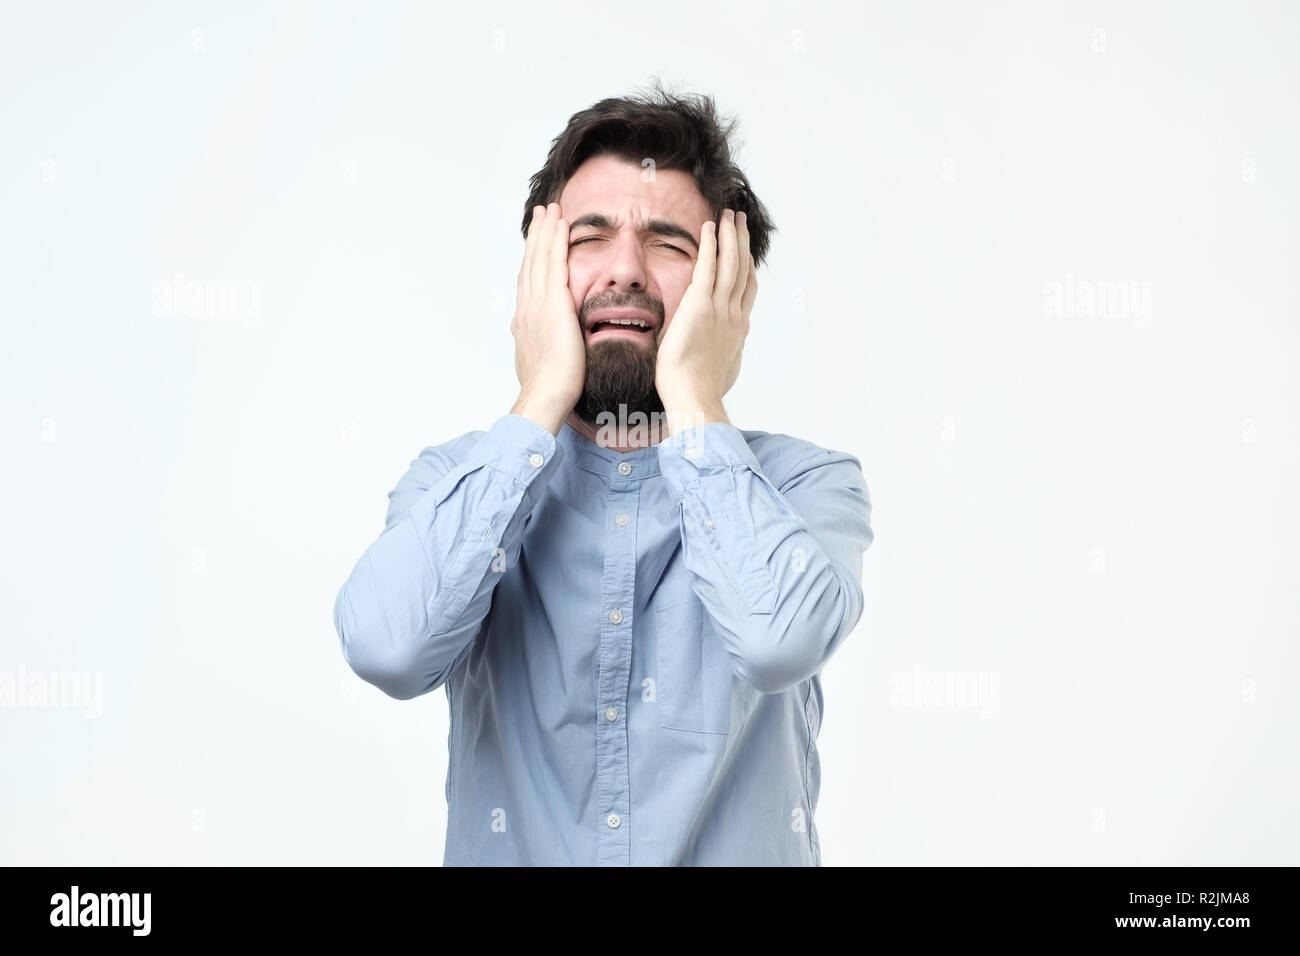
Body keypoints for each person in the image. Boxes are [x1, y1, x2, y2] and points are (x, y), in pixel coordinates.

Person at [333, 81, 875, 865]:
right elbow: (388, 649)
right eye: (589, 237)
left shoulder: (806, 485)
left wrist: (693, 392)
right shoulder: (457, 481)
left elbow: (776, 640)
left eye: (669, 242)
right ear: (539, 274)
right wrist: (540, 398)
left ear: (730, 286)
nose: (624, 269)